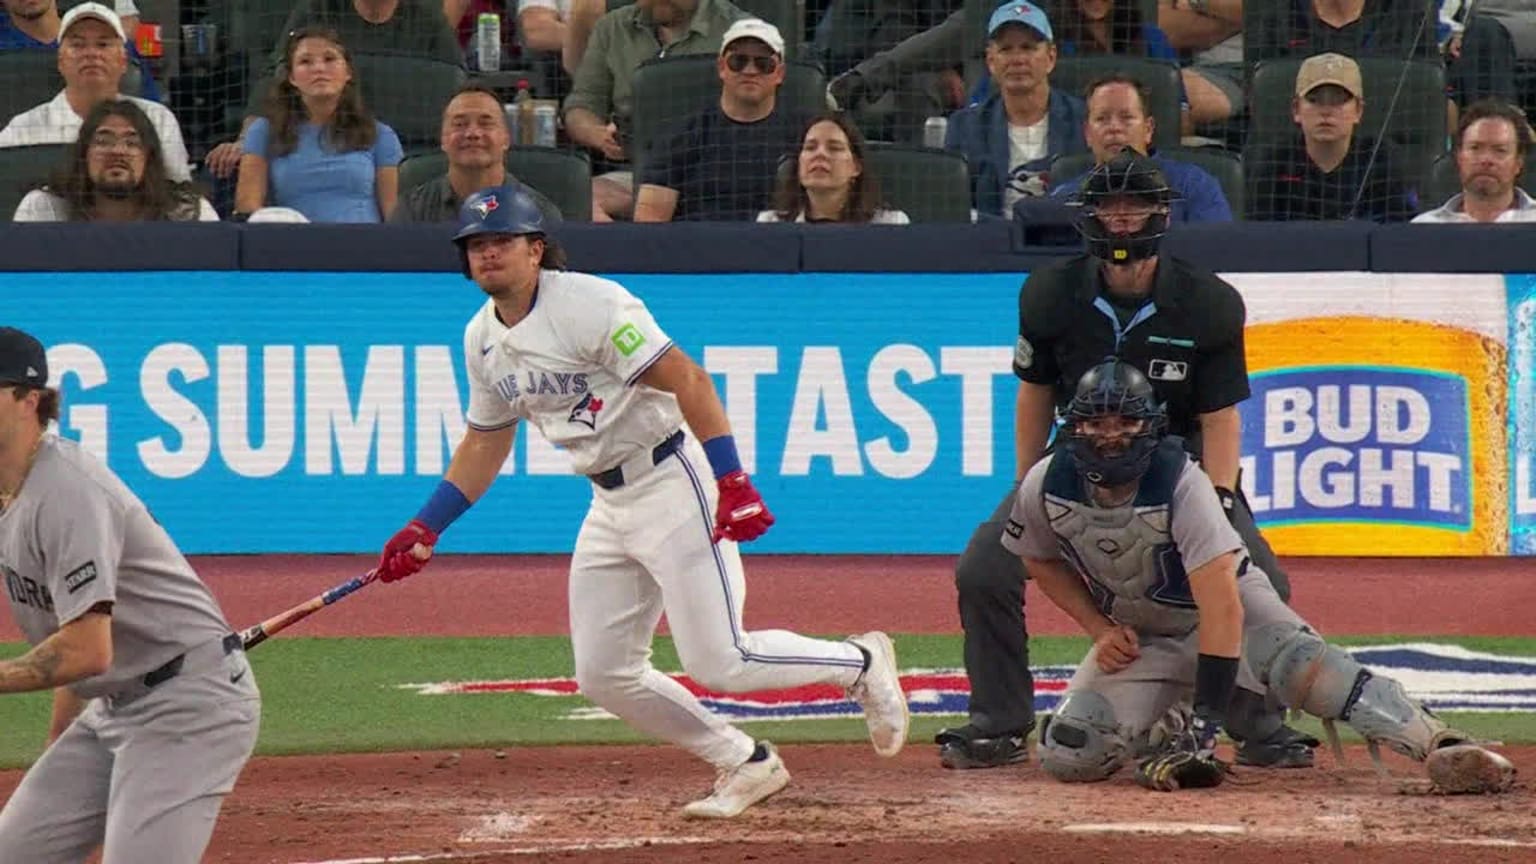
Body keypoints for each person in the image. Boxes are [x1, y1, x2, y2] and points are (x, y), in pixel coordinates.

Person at [372, 184, 910, 819]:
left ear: (536, 249)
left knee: (721, 659)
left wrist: (732, 480)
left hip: (671, 479)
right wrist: (425, 524)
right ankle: (745, 760)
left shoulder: (592, 305)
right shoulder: (481, 338)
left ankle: (860, 660)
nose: (487, 254)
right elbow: (485, 441)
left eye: (501, 241)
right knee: (604, 674)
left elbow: (688, 378)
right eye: (475, 244)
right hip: (607, 501)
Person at [936, 151, 1312, 772]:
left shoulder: (1210, 301)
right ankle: (998, 722)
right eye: (1107, 204)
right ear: (1088, 216)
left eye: (1133, 203)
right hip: (1080, 450)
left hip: (1181, 459)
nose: (1120, 217)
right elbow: (1034, 392)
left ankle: (1259, 725)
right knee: (982, 570)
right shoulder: (1049, 292)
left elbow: (1221, 417)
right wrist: (1028, 484)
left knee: (1261, 580)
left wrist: (1220, 503)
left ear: (1160, 214)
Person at [1006, 358, 1514, 797]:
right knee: (1070, 752)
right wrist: (1098, 629)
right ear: (1073, 427)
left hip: (1235, 614)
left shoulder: (1184, 481)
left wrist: (1207, 734)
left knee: (1302, 665)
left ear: (1150, 426)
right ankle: (1167, 721)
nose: (1110, 436)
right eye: (1096, 424)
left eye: (1123, 423)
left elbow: (1223, 605)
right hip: (1144, 636)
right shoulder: (1045, 482)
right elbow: (1039, 559)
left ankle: (1443, 744)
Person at [0, 326, 261, 861]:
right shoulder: (8, 493)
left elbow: (88, 650)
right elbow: (68, 636)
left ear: (29, 400)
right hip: (113, 707)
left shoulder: (67, 490)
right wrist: (60, 750)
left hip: (190, 707)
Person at [560, 0, 745, 220]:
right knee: (575, 199)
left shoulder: (740, 31)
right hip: (635, 175)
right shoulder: (612, 27)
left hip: (717, 177)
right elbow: (580, 105)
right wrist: (599, 135)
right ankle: (625, 251)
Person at [634, 18, 811, 222]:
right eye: (738, 61)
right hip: (697, 247)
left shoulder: (807, 136)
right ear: (721, 67)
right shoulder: (679, 135)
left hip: (780, 246)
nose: (750, 70)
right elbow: (649, 222)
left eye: (763, 64)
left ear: (779, 73)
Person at [0, 3, 190, 181]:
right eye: (78, 45)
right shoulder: (22, 129)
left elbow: (182, 198)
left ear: (124, 61)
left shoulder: (157, 119)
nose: (91, 53)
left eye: (103, 44)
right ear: (60, 61)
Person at [234, 26, 403, 223]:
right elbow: (248, 206)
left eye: (329, 59)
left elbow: (394, 216)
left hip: (364, 247)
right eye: (305, 61)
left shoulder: (380, 134)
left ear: (348, 72)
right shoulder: (263, 131)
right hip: (293, 247)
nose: (319, 68)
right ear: (292, 77)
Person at [943, 1, 1088, 218]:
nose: (1018, 59)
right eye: (1006, 49)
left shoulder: (1085, 119)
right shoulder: (965, 125)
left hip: (1067, 240)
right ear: (991, 61)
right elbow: (955, 209)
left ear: (1051, 57)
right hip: (990, 242)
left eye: (1028, 47)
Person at [1246, 52, 1419, 222]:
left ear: (1358, 110)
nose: (1326, 111)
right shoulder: (1275, 162)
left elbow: (1402, 231)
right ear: (1296, 109)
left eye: (1339, 100)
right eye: (1314, 100)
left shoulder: (1383, 158)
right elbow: (1258, 235)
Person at [1048, 75, 1231, 223]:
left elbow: (1216, 253)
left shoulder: (1194, 186)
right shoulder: (1065, 199)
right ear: (1087, 133)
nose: (1114, 128)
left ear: (1148, 129)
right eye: (1102, 118)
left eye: (1126, 117)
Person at [14, 98, 217, 221]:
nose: (118, 151)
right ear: (84, 155)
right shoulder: (44, 208)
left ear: (149, 158)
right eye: (103, 141)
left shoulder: (189, 213)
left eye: (132, 143)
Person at [390, 83, 563, 224]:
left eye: (485, 124)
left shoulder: (540, 213)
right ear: (442, 140)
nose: (473, 133)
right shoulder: (412, 211)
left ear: (506, 139)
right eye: (460, 124)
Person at [757, 112, 911, 223]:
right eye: (810, 147)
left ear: (856, 167)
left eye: (834, 148)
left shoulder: (890, 225)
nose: (820, 154)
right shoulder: (771, 223)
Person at [1413, 97, 1536, 223]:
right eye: (1475, 148)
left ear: (1518, 163)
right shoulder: (1424, 226)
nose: (1486, 159)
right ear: (1459, 157)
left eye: (1500, 150)